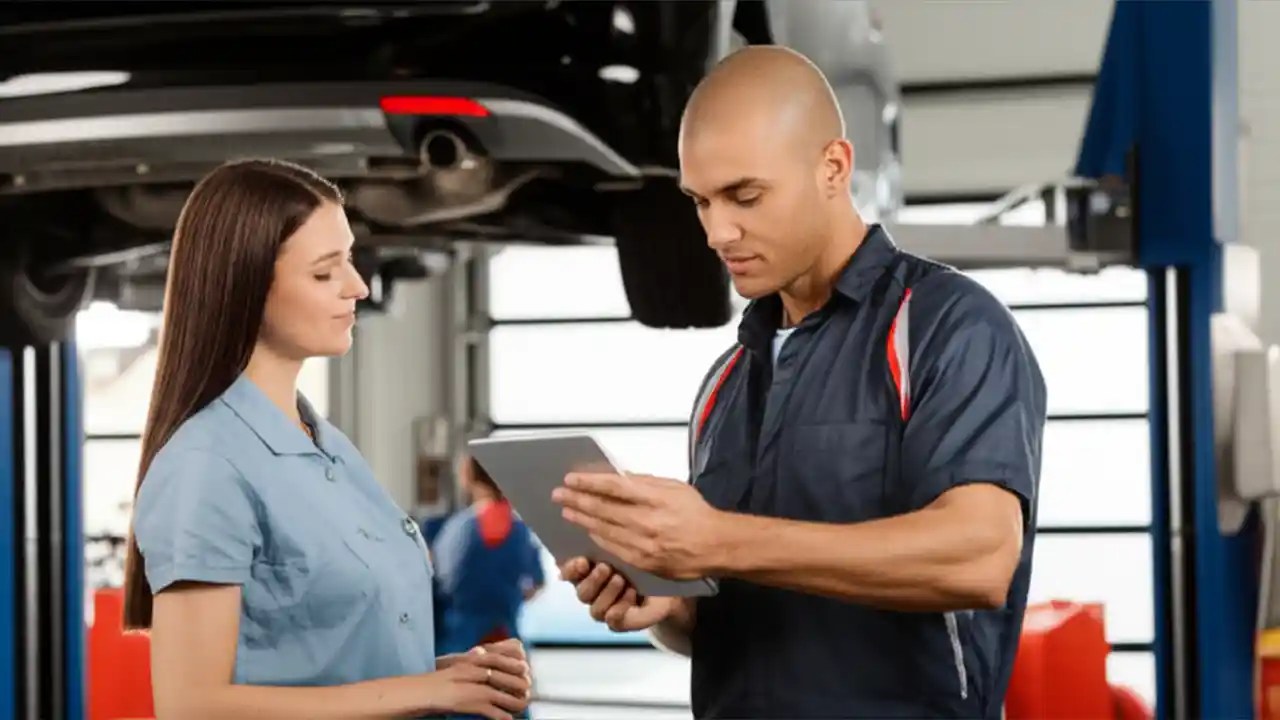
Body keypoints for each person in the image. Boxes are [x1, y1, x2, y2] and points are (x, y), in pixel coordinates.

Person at [551, 46, 1047, 719]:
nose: (716, 231)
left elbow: (980, 557)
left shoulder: (945, 325)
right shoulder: (725, 384)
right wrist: (667, 602)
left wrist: (717, 539)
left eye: (745, 196)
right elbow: (738, 620)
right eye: (700, 201)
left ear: (833, 168)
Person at [122, 158, 531, 720]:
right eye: (324, 272)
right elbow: (193, 705)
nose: (358, 286)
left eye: (352, 261)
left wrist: (448, 676)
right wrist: (425, 692)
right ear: (247, 285)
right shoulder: (206, 464)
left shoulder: (328, 446)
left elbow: (321, 664)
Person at [432, 455, 546, 656]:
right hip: (506, 636)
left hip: (460, 642)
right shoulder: (519, 529)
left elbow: (440, 578)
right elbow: (537, 582)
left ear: (467, 477)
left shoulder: (460, 528)